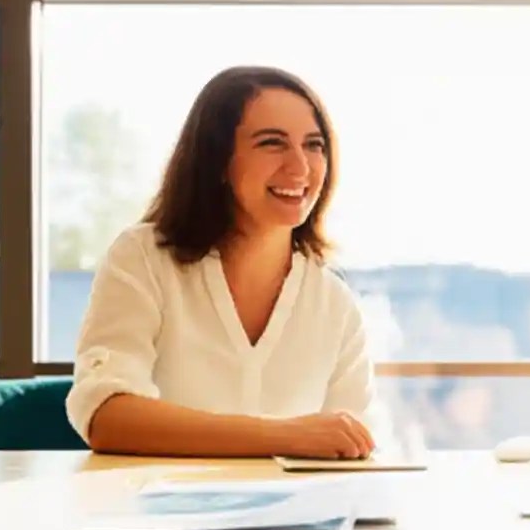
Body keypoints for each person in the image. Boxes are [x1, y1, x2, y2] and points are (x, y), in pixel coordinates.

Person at [66, 65, 381, 460]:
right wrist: (284, 436)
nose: (300, 166)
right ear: (217, 160)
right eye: (272, 143)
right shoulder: (143, 258)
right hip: (155, 516)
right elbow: (107, 417)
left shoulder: (333, 302)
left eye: (314, 145)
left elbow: (353, 443)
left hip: (294, 520)